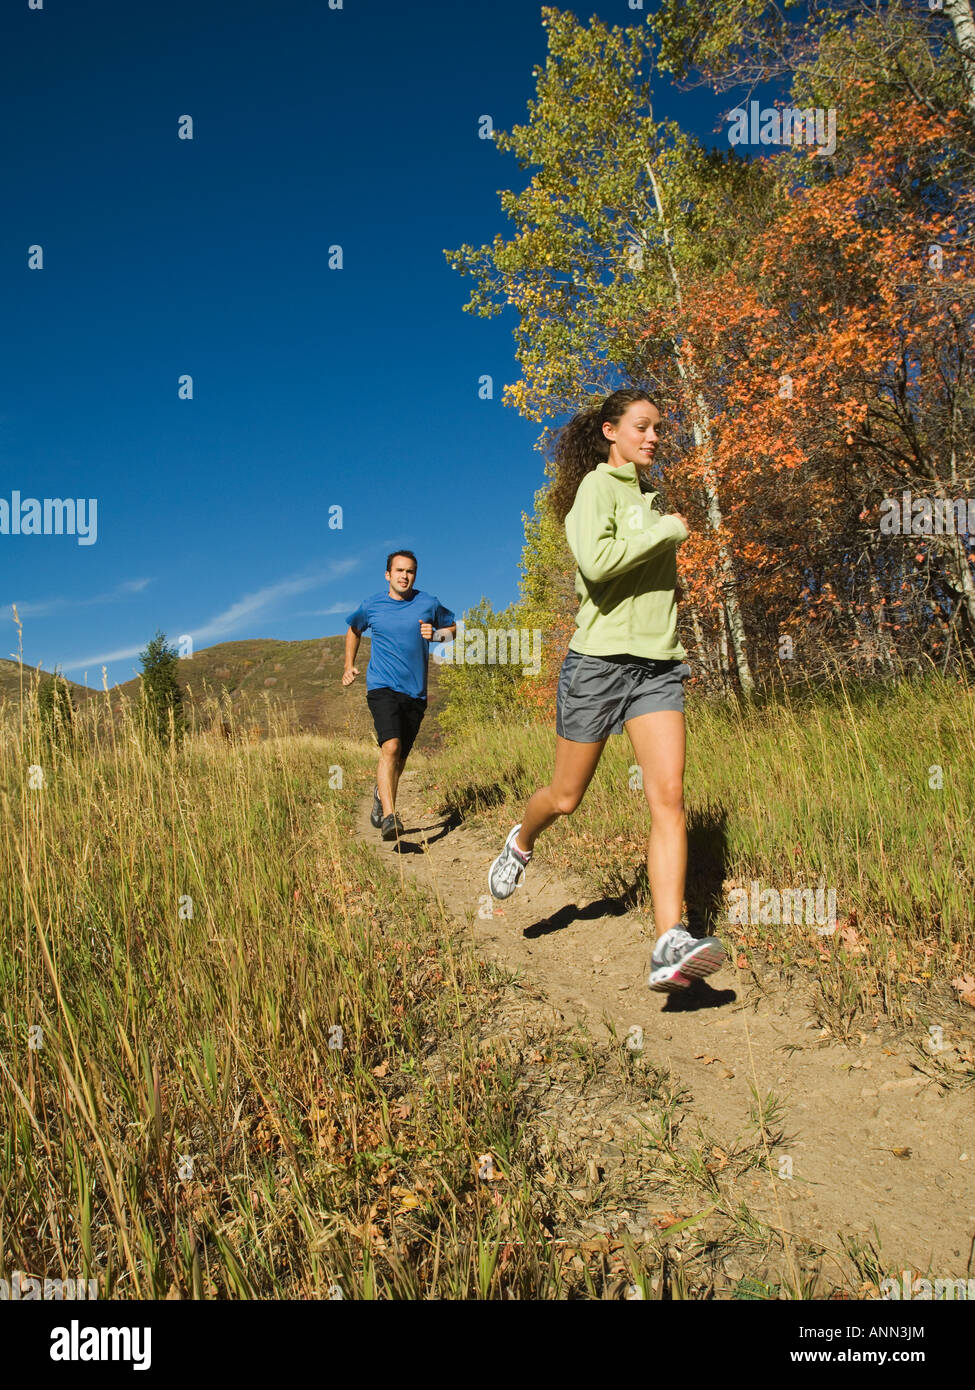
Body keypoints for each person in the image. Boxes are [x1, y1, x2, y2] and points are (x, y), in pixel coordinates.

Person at [487, 389, 726, 993]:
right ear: (610, 431)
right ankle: (521, 840)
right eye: (641, 428)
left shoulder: (652, 499)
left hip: (656, 668)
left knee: (668, 797)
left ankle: (669, 941)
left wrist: (662, 529)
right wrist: (667, 533)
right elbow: (594, 563)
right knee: (566, 797)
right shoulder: (596, 490)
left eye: (657, 430)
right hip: (598, 665)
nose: (652, 438)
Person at [343, 551, 456, 840]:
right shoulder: (372, 606)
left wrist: (436, 636)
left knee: (400, 757)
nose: (405, 576)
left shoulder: (428, 603)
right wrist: (349, 665)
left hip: (416, 693)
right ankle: (391, 818)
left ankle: (381, 796)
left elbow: (452, 630)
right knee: (390, 747)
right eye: (399, 570)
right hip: (382, 686)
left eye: (410, 572)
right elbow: (354, 629)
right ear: (387, 575)